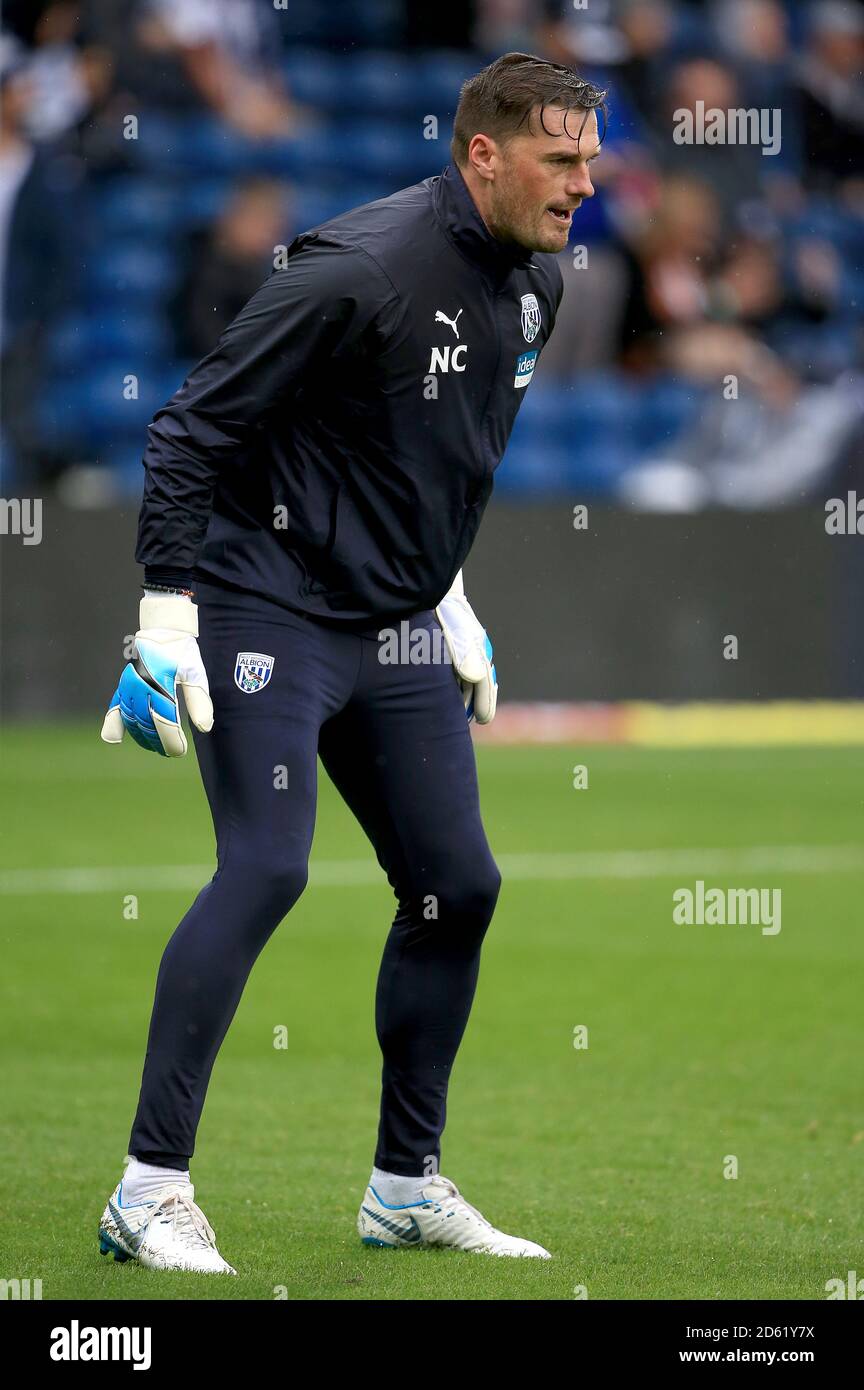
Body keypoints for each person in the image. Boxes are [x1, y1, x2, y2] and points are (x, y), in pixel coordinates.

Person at [98, 51, 605, 1274]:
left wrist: (452, 595)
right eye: (560, 157)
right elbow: (189, 428)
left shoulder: (537, 284)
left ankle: (404, 1186)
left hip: (395, 623)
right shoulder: (360, 267)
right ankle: (147, 1191)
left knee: (457, 886)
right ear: (482, 153)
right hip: (262, 605)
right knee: (268, 865)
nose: (585, 183)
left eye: (590, 158)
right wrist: (165, 616)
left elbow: (438, 459)